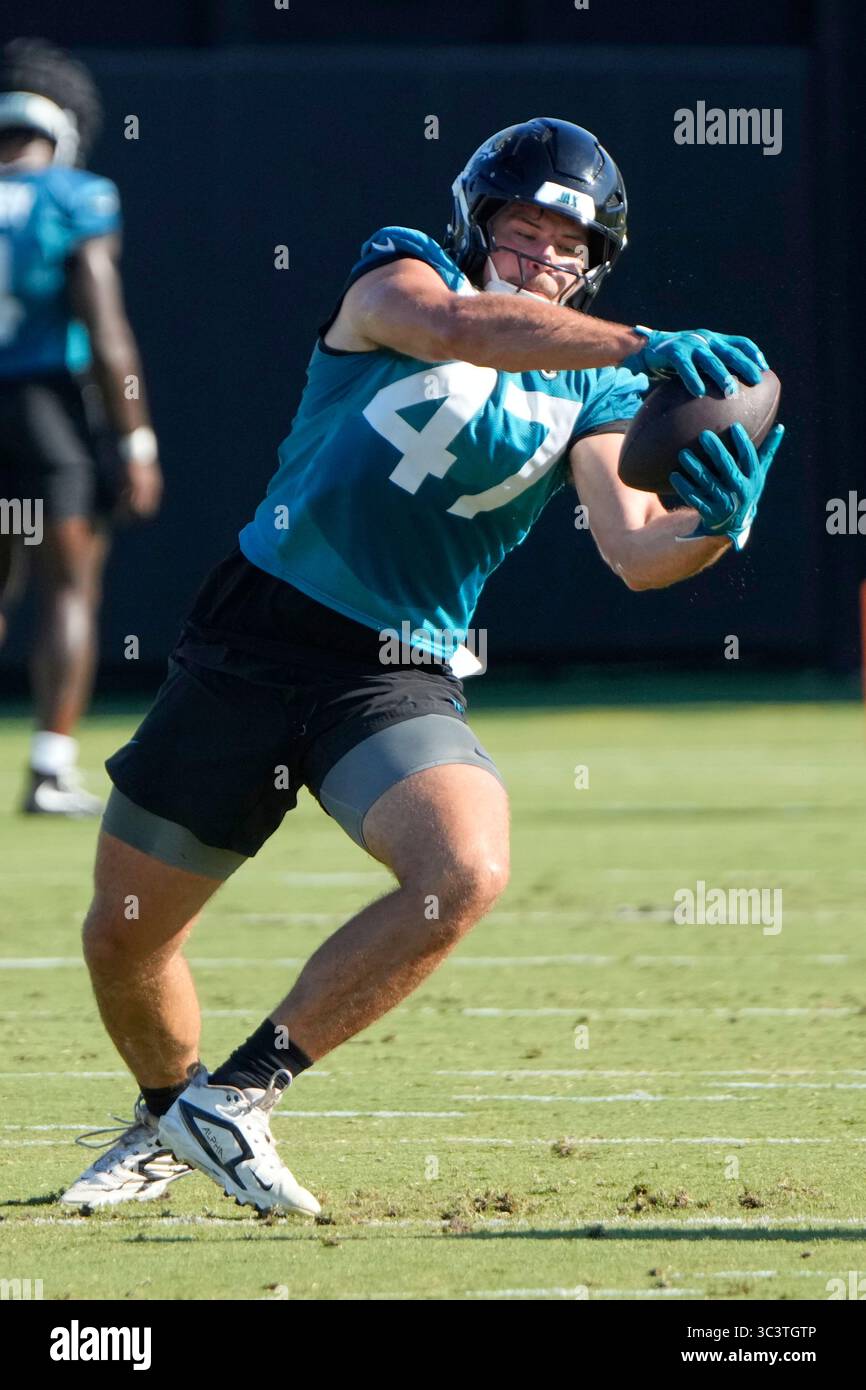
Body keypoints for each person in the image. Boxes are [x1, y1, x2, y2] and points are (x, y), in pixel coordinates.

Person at [62, 116, 783, 1212]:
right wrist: (641, 340)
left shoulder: (594, 390)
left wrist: (716, 525)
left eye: (567, 244)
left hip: (393, 671)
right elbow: (453, 322)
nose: (542, 256)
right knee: (125, 938)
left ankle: (238, 1095)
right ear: (475, 221)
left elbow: (634, 552)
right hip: (255, 636)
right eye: (523, 228)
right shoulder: (402, 269)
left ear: (594, 264)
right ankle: (167, 1112)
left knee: (464, 870)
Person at [0, 39, 162, 816]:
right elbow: (105, 328)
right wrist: (135, 437)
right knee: (67, 587)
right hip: (43, 411)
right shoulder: (75, 196)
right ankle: (48, 768)